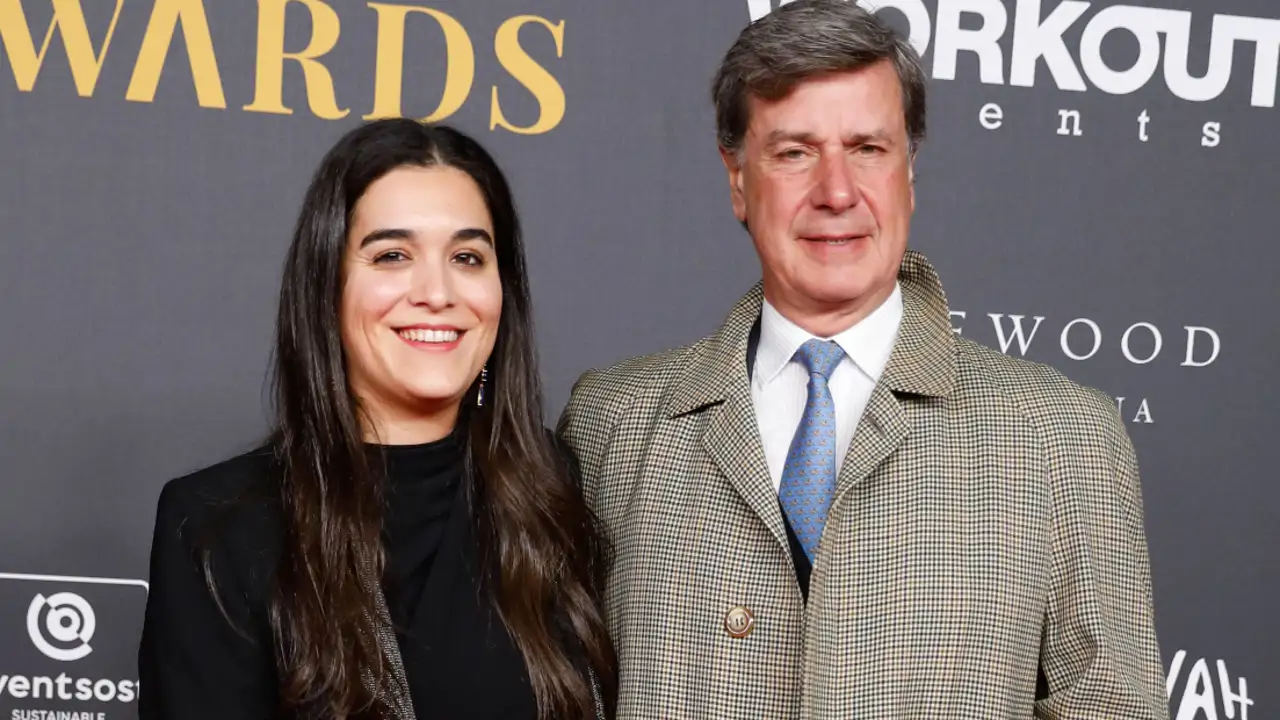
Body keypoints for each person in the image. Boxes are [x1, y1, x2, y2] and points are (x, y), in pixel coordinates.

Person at [556, 1, 1167, 717]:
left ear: (909, 172)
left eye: (868, 149)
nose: (836, 193)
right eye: (794, 152)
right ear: (736, 179)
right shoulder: (612, 424)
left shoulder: (1065, 437)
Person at [138, 119, 614, 720]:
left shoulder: (569, 492)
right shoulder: (217, 526)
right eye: (392, 255)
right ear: (328, 285)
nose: (437, 292)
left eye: (468, 257)